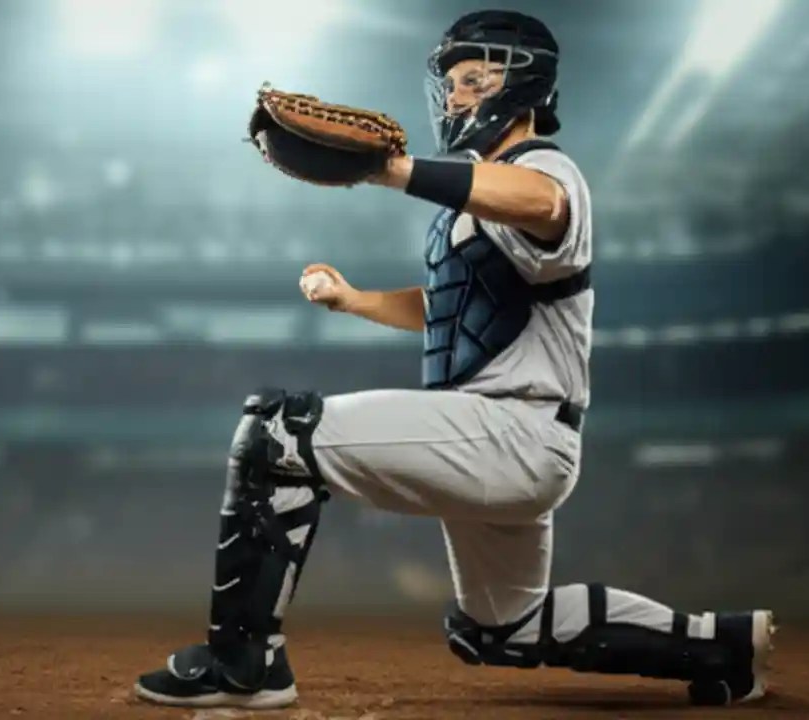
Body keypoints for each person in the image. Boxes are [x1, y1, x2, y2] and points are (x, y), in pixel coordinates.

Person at [134, 9, 773, 710]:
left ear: (524, 83)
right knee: (503, 626)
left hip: (515, 430)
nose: (457, 95)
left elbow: (543, 202)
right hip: (494, 435)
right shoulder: (470, 205)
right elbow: (448, 308)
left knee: (276, 433)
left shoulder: (545, 169)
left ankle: (243, 666)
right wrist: (355, 300)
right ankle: (725, 647)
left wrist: (394, 171)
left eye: (476, 78)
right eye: (453, 82)